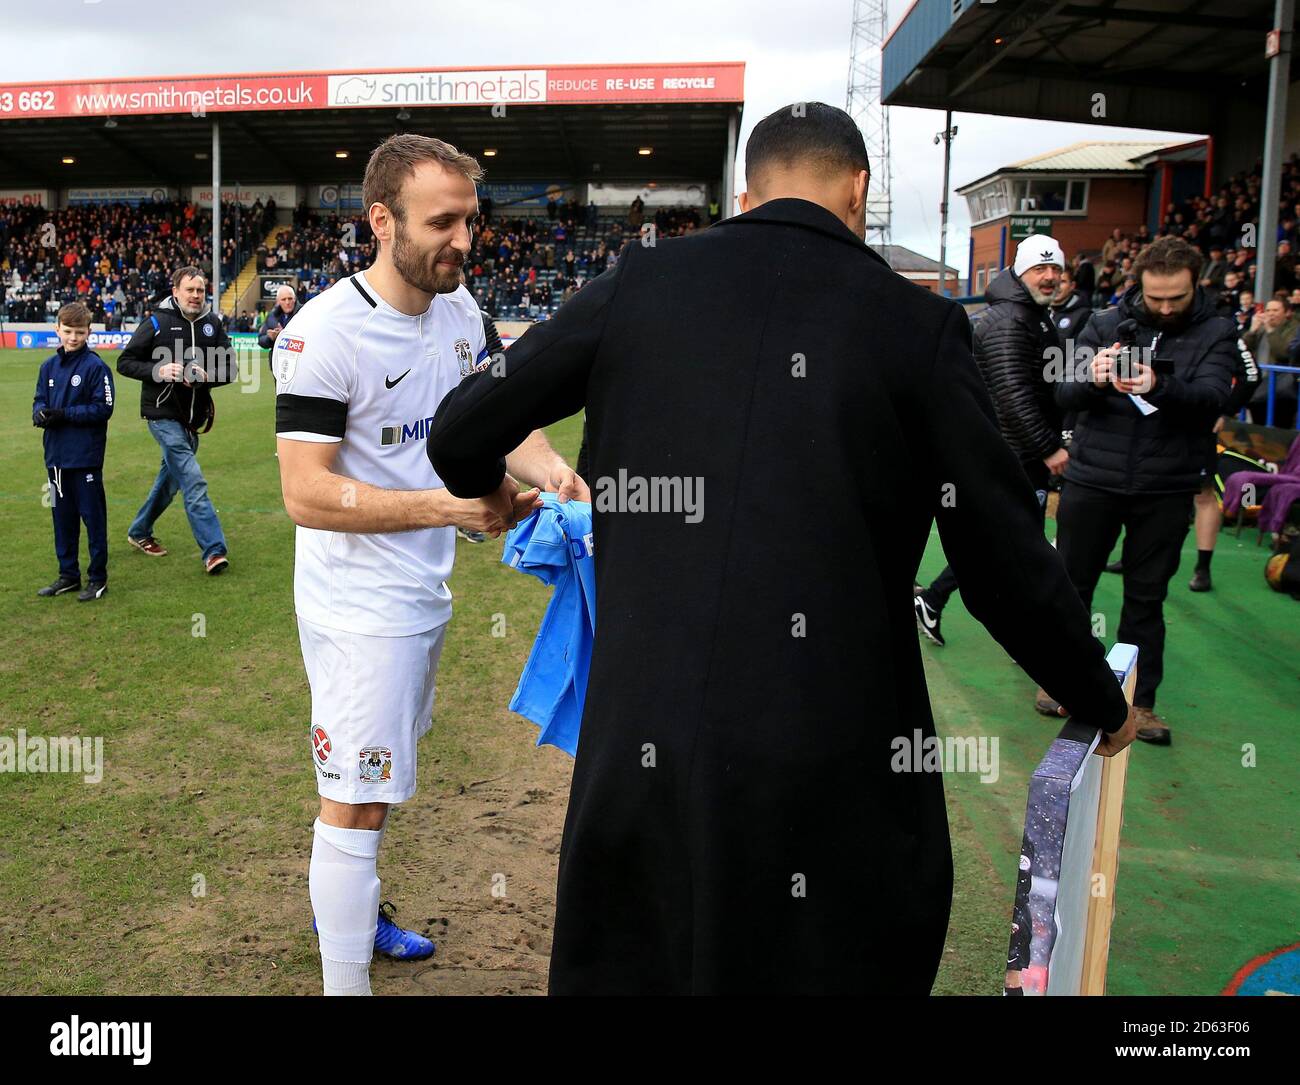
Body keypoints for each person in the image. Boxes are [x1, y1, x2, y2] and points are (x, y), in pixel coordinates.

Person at [427, 102, 1136, 995]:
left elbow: (459, 431)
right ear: (860, 189)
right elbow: (1000, 557)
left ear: (744, 193)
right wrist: (1097, 698)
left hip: (646, 741)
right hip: (834, 757)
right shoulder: (915, 326)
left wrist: (493, 493)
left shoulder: (640, 282)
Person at [273, 134, 585, 997]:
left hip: (418, 594)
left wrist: (551, 469)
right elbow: (305, 492)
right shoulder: (322, 334)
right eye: (442, 222)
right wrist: (452, 507)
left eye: (470, 220)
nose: (463, 240)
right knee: (357, 796)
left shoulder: (460, 310)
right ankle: (346, 982)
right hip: (356, 604)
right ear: (381, 220)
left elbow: (505, 419)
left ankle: (358, 909)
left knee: (375, 783)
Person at [1055, 236, 1238, 745]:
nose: (1163, 306)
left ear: (1195, 284)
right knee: (1072, 586)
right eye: (1155, 296)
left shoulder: (1217, 331)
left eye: (1175, 298)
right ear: (1139, 283)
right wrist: (1090, 378)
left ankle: (1139, 703)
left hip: (1166, 485)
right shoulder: (1106, 323)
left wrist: (1159, 385)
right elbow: (1063, 392)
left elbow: (1212, 398)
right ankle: (1068, 685)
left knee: (1146, 598)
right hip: (1093, 477)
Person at [914, 234, 1068, 660]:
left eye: (1056, 268)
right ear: (1021, 272)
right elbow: (1012, 393)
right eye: (1041, 268)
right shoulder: (1012, 319)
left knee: (1008, 543)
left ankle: (936, 598)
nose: (1051, 276)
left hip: (1013, 451)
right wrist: (1048, 447)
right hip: (1014, 454)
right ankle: (1026, 634)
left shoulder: (1029, 314)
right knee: (1013, 544)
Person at [116, 266, 236, 574]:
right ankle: (214, 550)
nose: (196, 296)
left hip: (193, 421)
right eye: (190, 290)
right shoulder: (157, 322)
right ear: (176, 292)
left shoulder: (213, 324)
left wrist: (206, 376)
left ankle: (140, 531)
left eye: (200, 290)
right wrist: (159, 371)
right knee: (193, 481)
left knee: (168, 484)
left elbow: (231, 369)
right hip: (161, 415)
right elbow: (126, 362)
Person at [32, 302, 115, 601]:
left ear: (89, 332)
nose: (73, 338)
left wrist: (64, 414)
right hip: (55, 458)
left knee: (93, 520)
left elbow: (103, 408)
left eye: (79, 332)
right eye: (67, 331)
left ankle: (98, 578)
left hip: (85, 459)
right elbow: (40, 399)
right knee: (62, 519)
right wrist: (39, 413)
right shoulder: (48, 367)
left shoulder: (95, 367)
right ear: (57, 329)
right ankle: (68, 575)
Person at [257, 285, 298, 354]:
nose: (287, 302)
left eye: (290, 299)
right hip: (277, 362)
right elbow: (261, 340)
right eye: (283, 299)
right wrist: (270, 338)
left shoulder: (303, 313)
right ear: (278, 301)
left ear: (295, 299)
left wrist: (283, 336)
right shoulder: (271, 316)